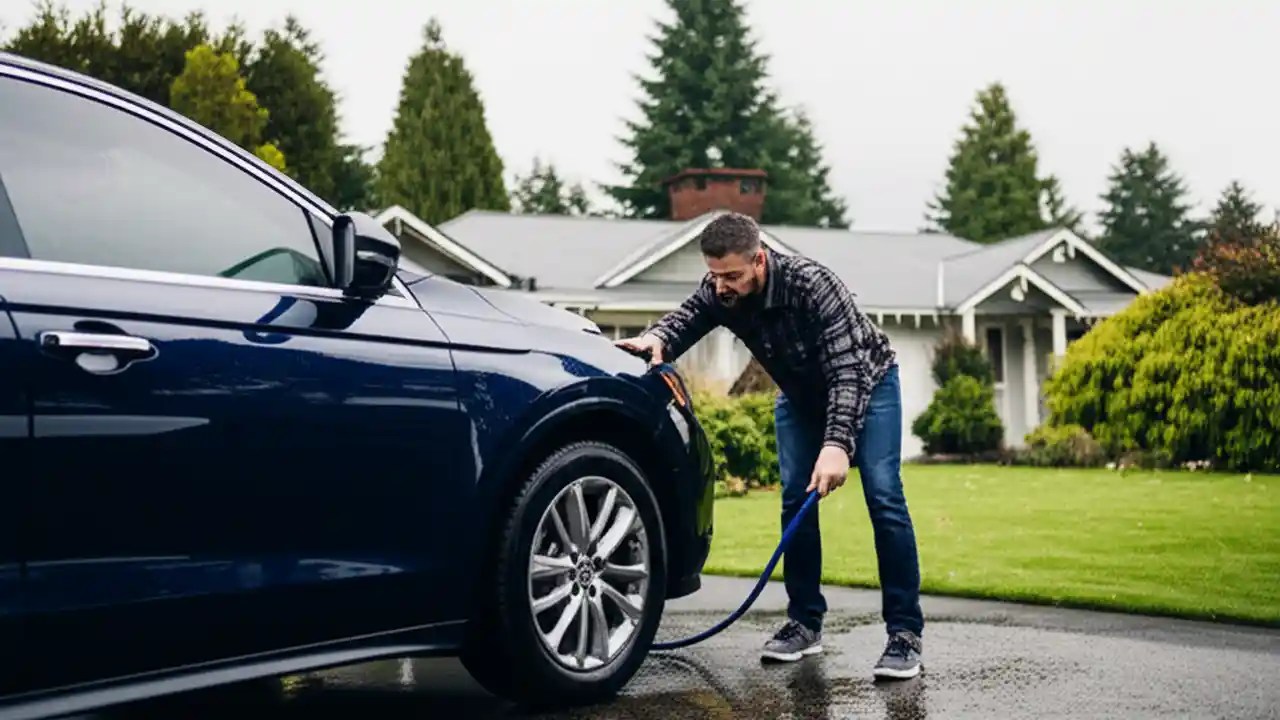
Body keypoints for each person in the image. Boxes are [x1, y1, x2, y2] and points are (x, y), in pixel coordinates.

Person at [615, 212, 924, 679]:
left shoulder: (813, 285)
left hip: (869, 383)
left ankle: (904, 633)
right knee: (794, 497)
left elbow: (847, 370)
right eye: (715, 275)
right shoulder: (721, 289)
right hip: (799, 398)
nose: (722, 287)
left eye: (733, 276)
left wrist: (838, 444)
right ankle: (804, 623)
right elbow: (688, 318)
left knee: (883, 495)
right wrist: (657, 339)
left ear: (759, 260)